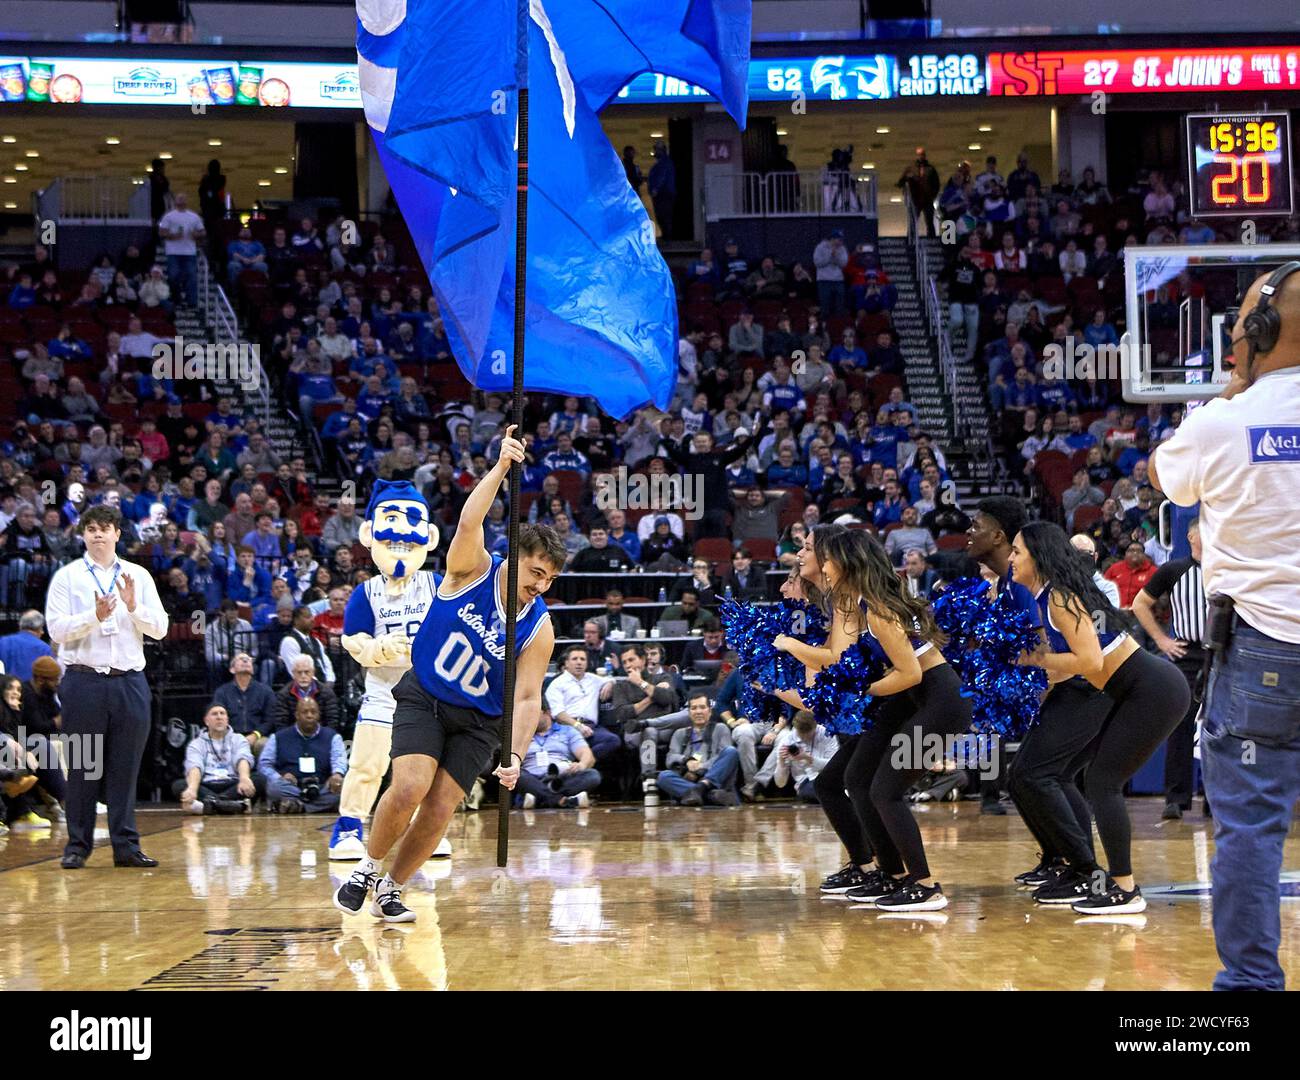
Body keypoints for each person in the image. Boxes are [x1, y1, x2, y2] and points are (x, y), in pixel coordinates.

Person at [333, 427, 560, 923]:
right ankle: (368, 868)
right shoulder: (471, 568)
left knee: (440, 809)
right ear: (517, 558)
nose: (540, 586)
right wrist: (502, 467)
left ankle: (393, 888)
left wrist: (516, 754)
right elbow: (469, 519)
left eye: (549, 580)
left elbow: (525, 698)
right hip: (427, 696)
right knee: (410, 786)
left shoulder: (539, 627)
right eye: (536, 573)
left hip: (479, 721)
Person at [1148, 264, 1300, 989]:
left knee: (1252, 835)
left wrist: (1233, 397)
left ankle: (1250, 990)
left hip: (1262, 654)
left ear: (1258, 333)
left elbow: (1166, 478)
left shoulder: (1220, 420)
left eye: (1241, 321)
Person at [773, 529, 966, 911]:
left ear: (845, 564)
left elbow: (909, 673)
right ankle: (892, 874)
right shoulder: (858, 604)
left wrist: (859, 686)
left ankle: (925, 886)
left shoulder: (876, 607)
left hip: (941, 703)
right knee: (859, 780)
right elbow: (849, 663)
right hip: (914, 701)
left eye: (827, 559)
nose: (823, 566)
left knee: (885, 790)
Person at [1010, 522, 1190, 914]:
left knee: (1102, 782)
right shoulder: (1048, 597)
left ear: (1038, 557)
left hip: (1153, 691)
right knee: (1079, 775)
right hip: (1133, 692)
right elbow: (1068, 668)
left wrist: (1031, 659)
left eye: (1017, 551)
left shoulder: (1058, 596)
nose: (1010, 558)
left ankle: (1124, 890)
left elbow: (1089, 660)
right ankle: (1091, 875)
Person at [45, 505, 169, 869]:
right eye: (91, 529)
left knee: (125, 767)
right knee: (83, 766)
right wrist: (93, 617)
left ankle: (126, 846)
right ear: (83, 535)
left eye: (105, 528)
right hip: (83, 680)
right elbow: (57, 630)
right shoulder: (67, 577)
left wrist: (133, 608)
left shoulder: (139, 576)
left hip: (129, 681)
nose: (98, 534)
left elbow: (160, 628)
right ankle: (77, 846)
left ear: (118, 534)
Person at [331, 481, 443, 860]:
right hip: (383, 693)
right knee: (367, 764)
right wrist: (382, 649)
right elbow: (353, 641)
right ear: (370, 533)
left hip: (427, 697)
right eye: (391, 519)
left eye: (411, 521)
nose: (400, 532)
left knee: (421, 772)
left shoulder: (437, 585)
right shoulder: (366, 592)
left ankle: (421, 831)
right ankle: (347, 829)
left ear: (428, 537)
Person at [1131, 519, 1208, 821]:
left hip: (1221, 655)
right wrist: (1162, 640)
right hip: (1186, 652)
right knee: (1181, 726)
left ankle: (1216, 798)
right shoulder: (1174, 570)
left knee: (1220, 730)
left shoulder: (1228, 569)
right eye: (1206, 527)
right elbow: (1139, 603)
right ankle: (1176, 798)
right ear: (1191, 535)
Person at [258, 696, 346, 813]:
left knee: (345, 788)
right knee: (274, 788)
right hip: (291, 787)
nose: (309, 715)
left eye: (313, 712)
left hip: (322, 787)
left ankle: (299, 806)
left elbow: (339, 759)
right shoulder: (278, 737)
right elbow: (264, 765)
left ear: (319, 715)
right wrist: (279, 777)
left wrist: (337, 774)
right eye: (305, 712)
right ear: (297, 715)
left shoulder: (333, 737)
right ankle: (317, 806)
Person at [174, 704, 261, 814]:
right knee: (179, 785)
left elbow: (242, 758)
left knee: (259, 779)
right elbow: (195, 766)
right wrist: (192, 788)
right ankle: (234, 806)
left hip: (233, 784)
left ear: (227, 720)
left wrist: (244, 778)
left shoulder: (239, 739)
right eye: (214, 714)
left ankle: (211, 806)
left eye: (222, 714)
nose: (219, 717)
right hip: (208, 785)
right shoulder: (196, 743)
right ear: (206, 721)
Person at [656, 692, 739, 806]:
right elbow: (670, 758)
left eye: (702, 707)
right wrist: (686, 761)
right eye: (694, 708)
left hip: (714, 779)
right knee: (663, 777)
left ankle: (701, 789)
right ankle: (709, 796)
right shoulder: (679, 733)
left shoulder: (721, 729)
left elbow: (723, 759)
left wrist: (701, 768)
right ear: (689, 713)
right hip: (689, 779)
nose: (698, 711)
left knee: (731, 751)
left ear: (709, 712)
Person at [517, 706, 601, 809]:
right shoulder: (521, 734)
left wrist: (581, 765)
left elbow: (587, 754)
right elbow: (512, 760)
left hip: (560, 779)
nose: (528, 719)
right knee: (516, 773)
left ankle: (538, 798)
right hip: (532, 777)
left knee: (593, 775)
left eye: (532, 714)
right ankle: (562, 801)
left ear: (547, 713)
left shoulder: (567, 731)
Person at [753, 709, 835, 801]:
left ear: (815, 727)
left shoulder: (827, 734)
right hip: (805, 782)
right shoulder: (787, 741)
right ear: (796, 729)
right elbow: (780, 783)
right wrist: (781, 762)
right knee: (819, 791)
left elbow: (834, 766)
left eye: (809, 735)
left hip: (827, 776)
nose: (805, 738)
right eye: (801, 735)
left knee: (833, 785)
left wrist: (808, 758)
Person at [212, 652, 276, 758]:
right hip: (231, 736)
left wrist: (255, 735)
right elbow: (218, 719)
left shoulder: (265, 691)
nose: (246, 661)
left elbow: (270, 719)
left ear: (253, 669)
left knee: (264, 745)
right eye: (241, 659)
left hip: (258, 737)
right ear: (232, 669)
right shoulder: (222, 692)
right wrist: (234, 737)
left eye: (248, 659)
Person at [157, 192, 205, 309]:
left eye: (183, 198)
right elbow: (161, 232)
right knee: (173, 276)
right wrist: (172, 235)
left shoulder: (194, 216)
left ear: (186, 201)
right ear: (175, 201)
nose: (181, 200)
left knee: (191, 276)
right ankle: (176, 299)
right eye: (179, 198)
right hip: (173, 251)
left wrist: (196, 234)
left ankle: (191, 302)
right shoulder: (169, 216)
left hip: (189, 251)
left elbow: (203, 232)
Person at [0, 609, 52, 681]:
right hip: (33, 691)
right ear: (39, 628)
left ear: (21, 625)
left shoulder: (3, 642)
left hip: (6, 689)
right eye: (42, 628)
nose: (43, 632)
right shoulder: (44, 648)